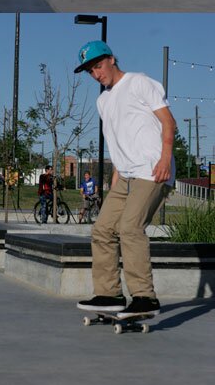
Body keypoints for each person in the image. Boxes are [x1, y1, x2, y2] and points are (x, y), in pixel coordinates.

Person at [74, 40, 174, 319]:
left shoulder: (140, 82)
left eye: (98, 66)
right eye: (90, 71)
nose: (96, 74)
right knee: (102, 229)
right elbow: (118, 145)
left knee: (130, 228)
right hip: (126, 176)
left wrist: (165, 159)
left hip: (153, 171)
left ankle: (144, 297)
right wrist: (115, 183)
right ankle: (108, 295)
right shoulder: (103, 101)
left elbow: (168, 121)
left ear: (111, 59)